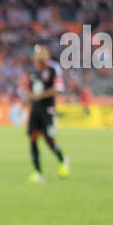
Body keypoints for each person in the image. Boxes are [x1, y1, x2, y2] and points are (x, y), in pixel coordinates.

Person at [26, 43, 69, 184]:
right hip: (35, 110)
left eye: (38, 54)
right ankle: (38, 173)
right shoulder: (32, 73)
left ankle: (62, 160)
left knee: (49, 140)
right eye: (34, 54)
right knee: (32, 139)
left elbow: (58, 89)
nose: (35, 57)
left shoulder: (53, 69)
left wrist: (40, 96)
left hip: (47, 110)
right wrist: (27, 100)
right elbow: (29, 92)